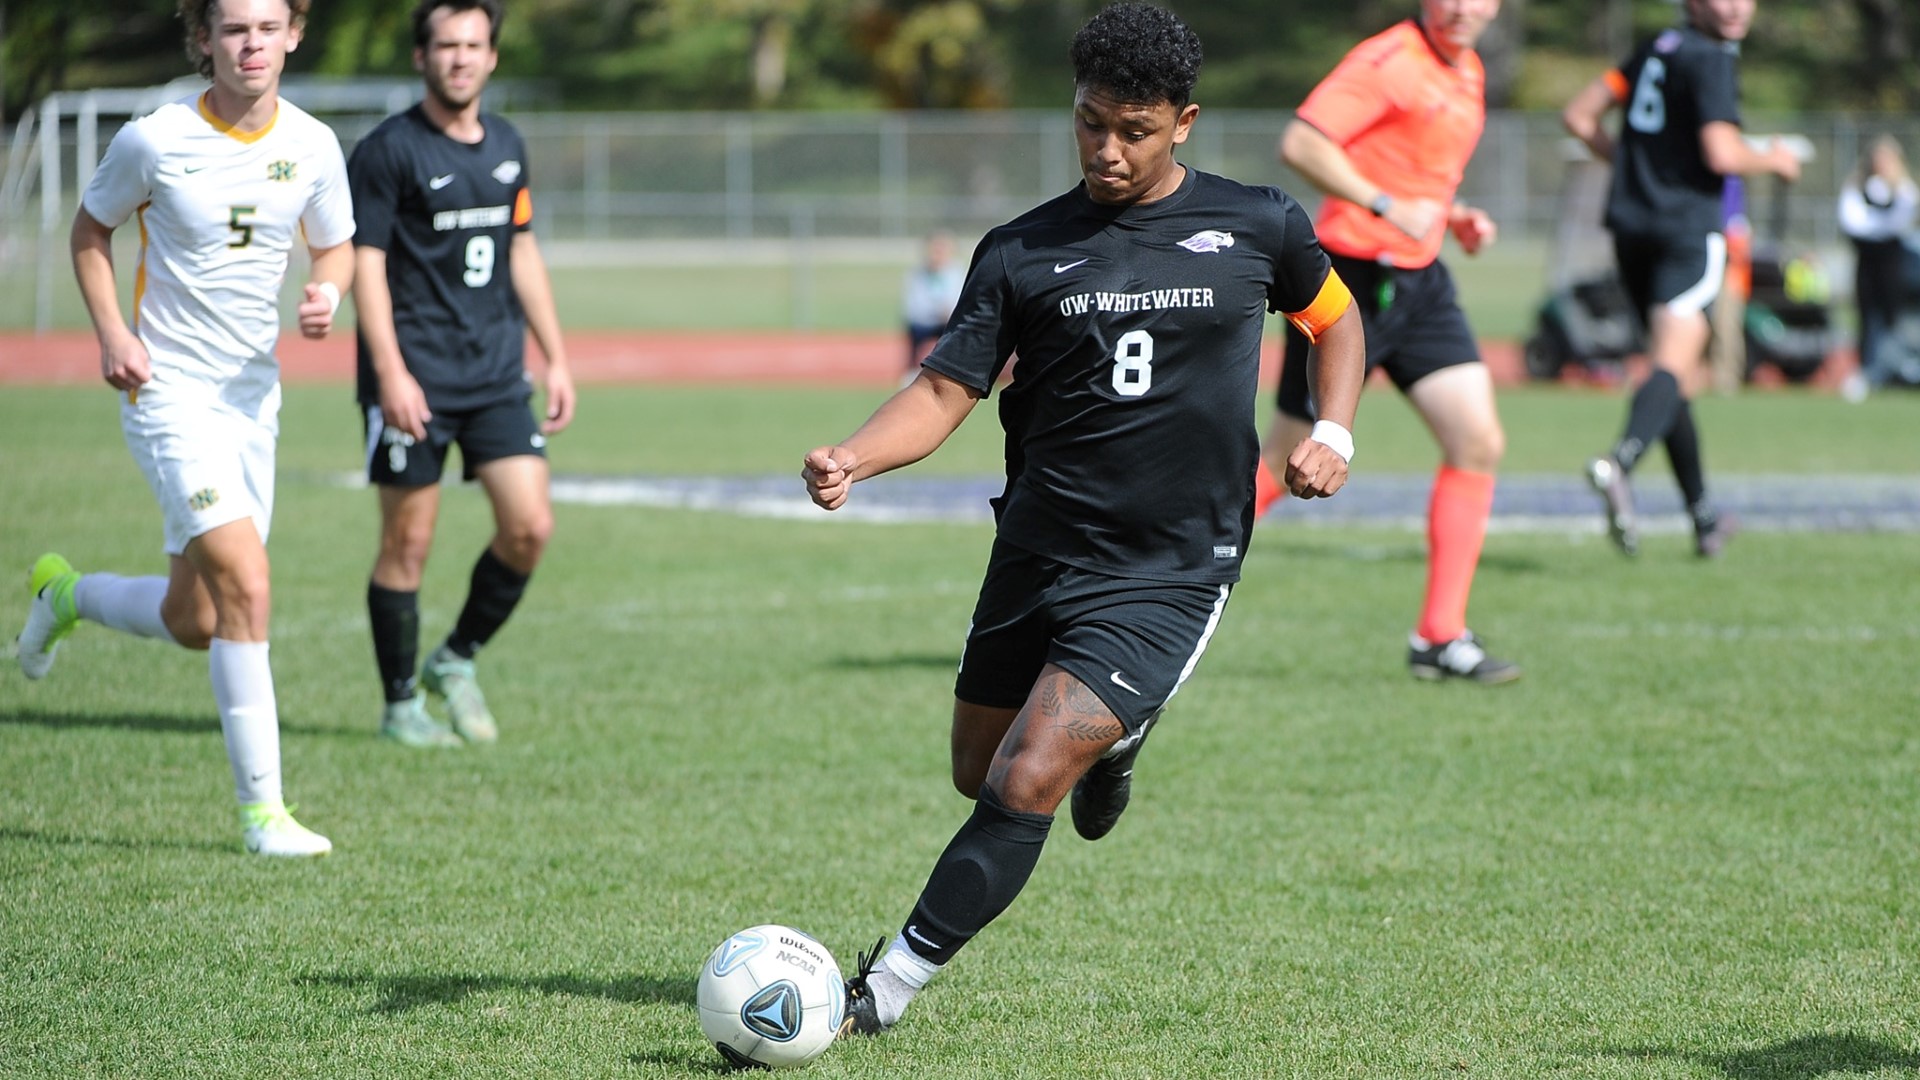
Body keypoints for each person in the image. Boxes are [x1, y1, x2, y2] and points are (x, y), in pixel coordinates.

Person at [803, 2, 1365, 1035]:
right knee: (977, 771)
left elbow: (1337, 321)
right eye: (1090, 123)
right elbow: (939, 396)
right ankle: (1119, 743)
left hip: (1171, 566)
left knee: (1023, 777)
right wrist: (854, 456)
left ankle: (876, 998)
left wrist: (1335, 430)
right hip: (1037, 547)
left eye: (1135, 130)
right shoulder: (1021, 250)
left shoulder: (1261, 224)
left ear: (1184, 121)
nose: (1108, 150)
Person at [15, 0, 352, 856]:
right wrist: (112, 334)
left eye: (268, 27)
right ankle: (263, 815)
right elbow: (90, 231)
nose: (252, 43)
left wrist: (329, 290)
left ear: (294, 35)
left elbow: (334, 244)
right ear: (203, 40)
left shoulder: (313, 145)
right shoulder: (155, 139)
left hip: (252, 403)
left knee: (197, 616)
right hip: (167, 395)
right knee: (249, 582)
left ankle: (65, 595)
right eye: (234, 28)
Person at [1250, 0, 1520, 685]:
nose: (1462, 8)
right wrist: (1386, 206)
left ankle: (1439, 636)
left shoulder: (1469, 71)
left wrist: (1450, 217)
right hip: (1351, 284)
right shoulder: (1388, 61)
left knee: (1477, 440)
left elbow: (1414, 170)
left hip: (1421, 280)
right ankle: (1152, 580)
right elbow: (1303, 141)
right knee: (1283, 463)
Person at [348, 0, 575, 748]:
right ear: (421, 56)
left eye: (474, 45)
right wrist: (391, 375)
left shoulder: (507, 143)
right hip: (414, 379)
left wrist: (556, 356)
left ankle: (456, 659)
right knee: (407, 545)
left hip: (495, 376)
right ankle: (400, 705)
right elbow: (366, 267)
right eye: (446, 45)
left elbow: (521, 251)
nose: (460, 58)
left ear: (492, 57)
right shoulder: (388, 151)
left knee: (530, 527)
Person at [1563, 0, 1801, 557]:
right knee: (1673, 363)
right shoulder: (1712, 57)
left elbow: (1577, 115)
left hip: (1631, 230)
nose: (1738, 6)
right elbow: (1721, 153)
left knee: (1676, 379)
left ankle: (1703, 517)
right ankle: (1618, 462)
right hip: (1685, 232)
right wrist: (1775, 160)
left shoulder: (1654, 48)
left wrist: (1628, 167)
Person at [1837, 134, 1918, 400]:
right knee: (1867, 316)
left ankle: (1891, 371)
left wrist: (1878, 227)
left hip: (1894, 266)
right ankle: (1868, 371)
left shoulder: (1904, 190)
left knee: (1893, 318)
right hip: (1868, 264)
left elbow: (1899, 222)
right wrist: (1879, 228)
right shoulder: (1858, 188)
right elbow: (1853, 222)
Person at [901, 229, 964, 380]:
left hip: (948, 322)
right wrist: (937, 312)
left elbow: (959, 299)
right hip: (924, 323)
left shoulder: (957, 272)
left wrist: (949, 312)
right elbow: (914, 306)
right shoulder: (916, 274)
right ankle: (911, 373)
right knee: (915, 333)